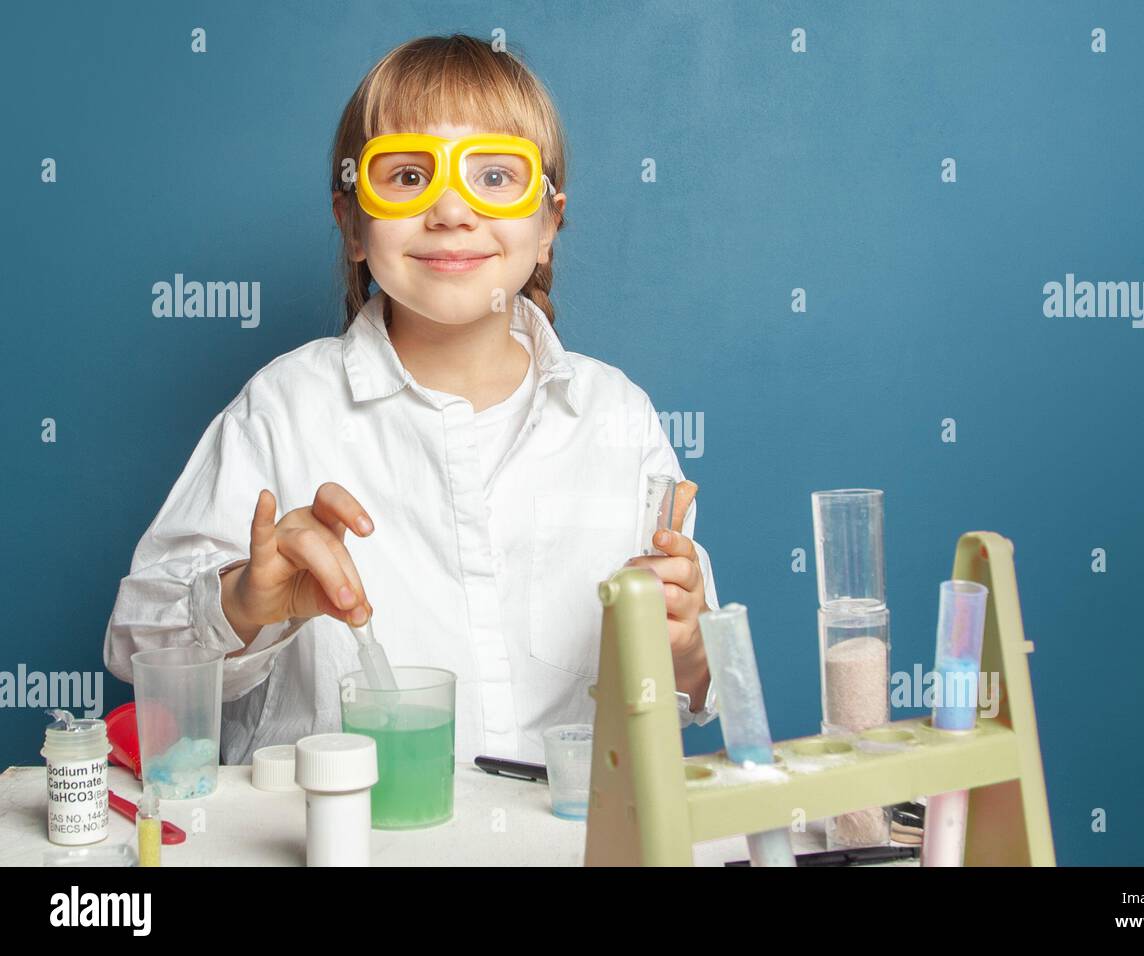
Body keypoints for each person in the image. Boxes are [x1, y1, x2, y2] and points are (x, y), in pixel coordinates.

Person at [103, 34, 719, 766]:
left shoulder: (617, 417)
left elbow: (690, 691)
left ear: (549, 224)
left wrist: (685, 646)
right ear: (352, 222)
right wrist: (242, 604)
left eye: (495, 175)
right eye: (405, 176)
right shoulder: (283, 408)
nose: (451, 211)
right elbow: (136, 642)